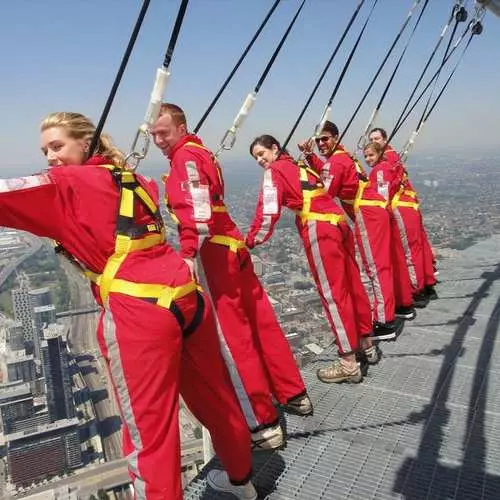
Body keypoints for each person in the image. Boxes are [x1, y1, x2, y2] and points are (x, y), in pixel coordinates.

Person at [0, 112, 257, 500]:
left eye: (57, 146)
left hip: (139, 311)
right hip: (187, 296)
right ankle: (242, 483)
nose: (51, 157)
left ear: (85, 144)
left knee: (149, 435)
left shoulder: (65, 183)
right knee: (217, 398)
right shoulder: (137, 180)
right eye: (45, 150)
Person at [151, 104, 312, 450]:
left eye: (163, 132)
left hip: (213, 253)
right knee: (262, 323)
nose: (158, 141)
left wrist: (189, 250)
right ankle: (293, 392)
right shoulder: (202, 153)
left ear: (181, 127)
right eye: (153, 135)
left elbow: (196, 207)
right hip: (233, 244)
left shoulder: (185, 158)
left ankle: (262, 423)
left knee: (231, 338)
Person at [247, 134, 381, 384]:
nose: (259, 160)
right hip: (339, 223)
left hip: (319, 229)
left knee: (333, 295)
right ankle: (367, 346)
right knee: (353, 287)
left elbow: (267, 212)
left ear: (275, 149)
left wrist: (251, 241)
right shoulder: (301, 165)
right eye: (256, 157)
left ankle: (348, 363)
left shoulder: (275, 171)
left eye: (261, 154)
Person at [299, 121, 415, 329]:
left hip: (368, 214)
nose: (320, 143)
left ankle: (384, 320)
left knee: (376, 266)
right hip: (378, 209)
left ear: (335, 138)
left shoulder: (335, 162)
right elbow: (329, 170)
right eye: (318, 140)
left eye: (325, 138)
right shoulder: (343, 156)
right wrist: (310, 157)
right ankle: (403, 304)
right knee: (389, 259)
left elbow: (325, 193)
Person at [368, 127, 438, 300]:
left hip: (400, 207)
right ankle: (427, 284)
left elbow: (382, 194)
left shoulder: (384, 161)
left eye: (377, 138)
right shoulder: (392, 156)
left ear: (384, 139)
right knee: (418, 246)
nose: (374, 142)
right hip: (409, 205)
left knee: (408, 252)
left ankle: (417, 291)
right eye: (372, 139)